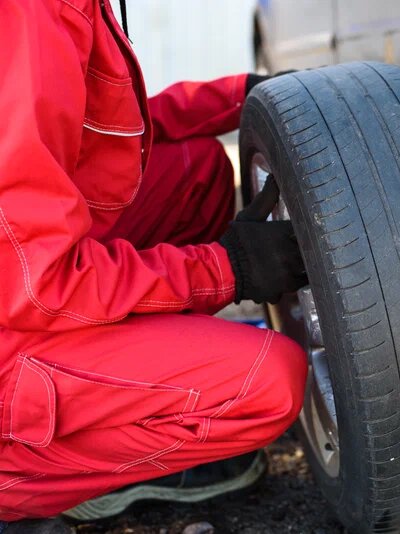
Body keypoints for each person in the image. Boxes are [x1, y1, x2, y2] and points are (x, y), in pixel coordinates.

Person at [0, 0, 310, 530]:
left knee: (198, 171)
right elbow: (38, 282)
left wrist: (238, 96)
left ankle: (141, 395)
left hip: (23, 276)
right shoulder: (24, 17)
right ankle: (44, 473)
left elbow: (93, 136)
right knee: (269, 380)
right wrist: (225, 269)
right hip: (17, 316)